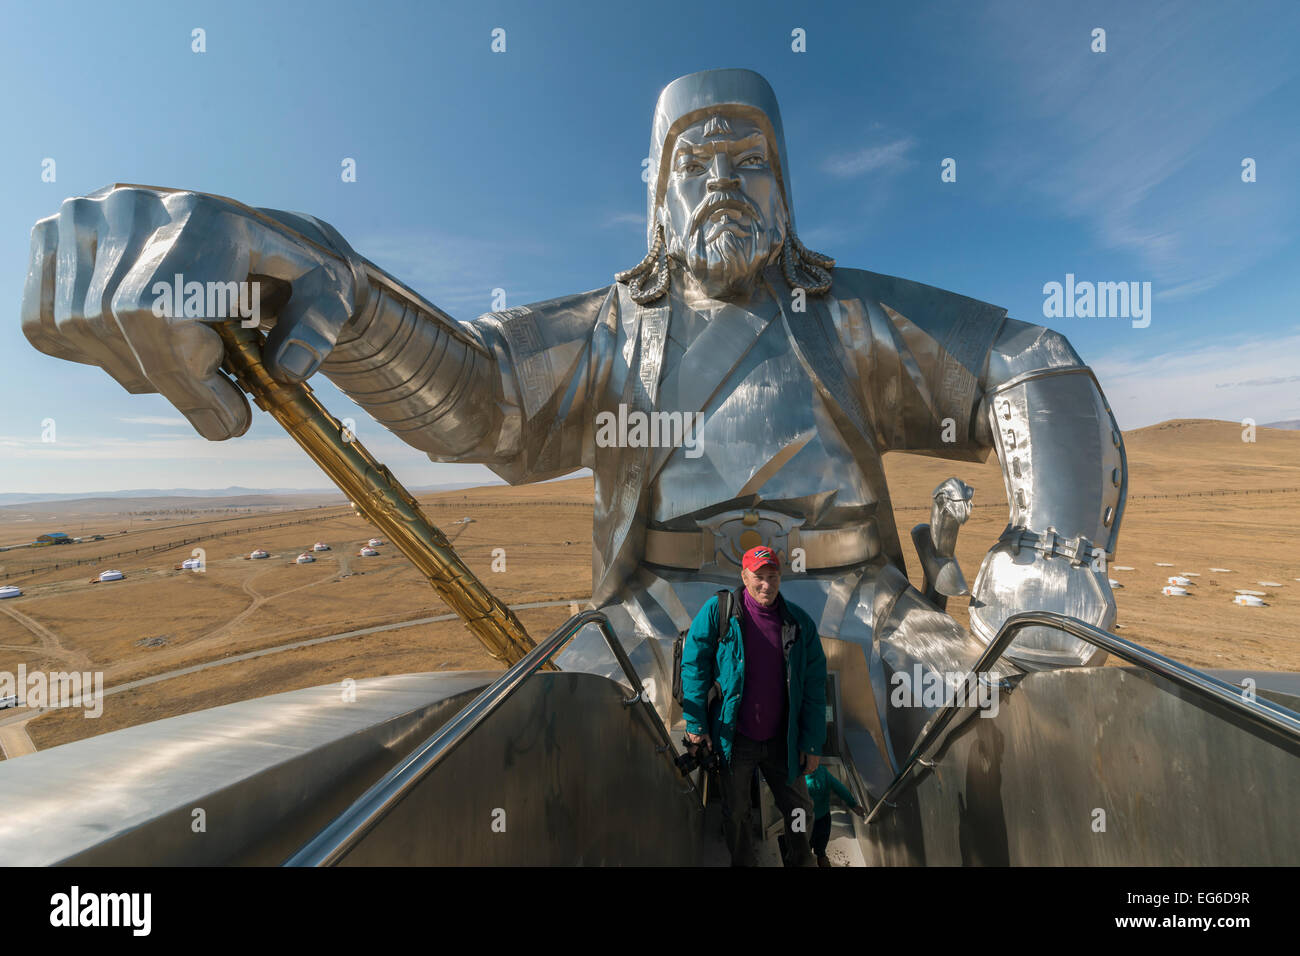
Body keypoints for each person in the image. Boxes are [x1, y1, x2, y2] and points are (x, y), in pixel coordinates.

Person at [680, 544, 827, 867]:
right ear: (744, 576)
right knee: (736, 814)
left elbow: (816, 688)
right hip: (736, 739)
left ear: (780, 578)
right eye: (759, 577)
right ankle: (744, 862)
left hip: (782, 742)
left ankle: (800, 859)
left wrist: (811, 742)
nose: (766, 584)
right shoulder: (718, 613)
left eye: (772, 576)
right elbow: (693, 666)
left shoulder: (798, 624)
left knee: (800, 809)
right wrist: (696, 726)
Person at [804, 764, 866, 867]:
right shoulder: (823, 772)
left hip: (807, 821)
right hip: (824, 818)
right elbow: (839, 788)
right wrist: (853, 804)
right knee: (821, 844)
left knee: (806, 846)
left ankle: (811, 860)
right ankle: (821, 857)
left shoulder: (798, 779)